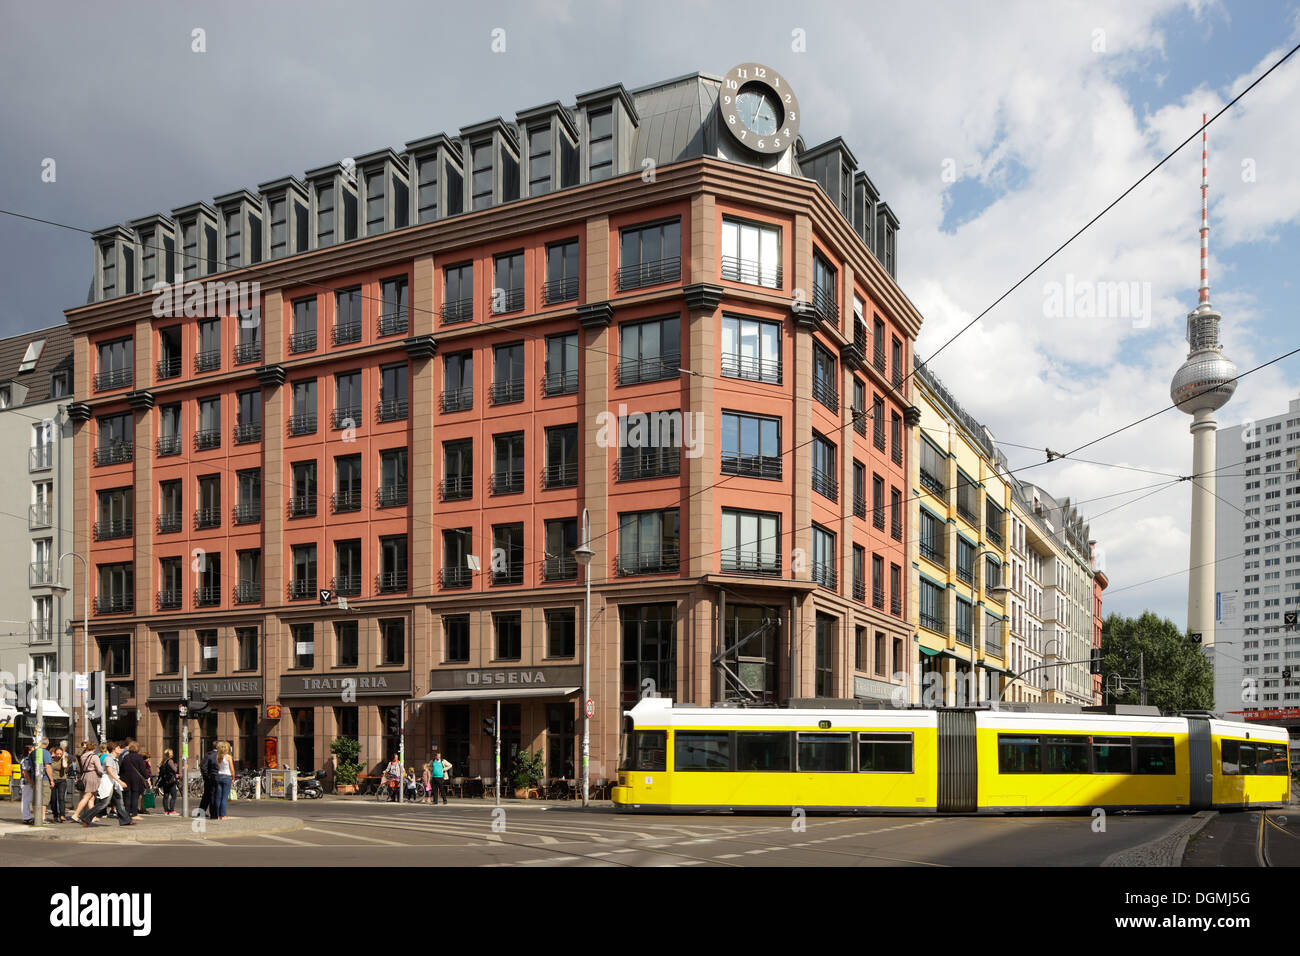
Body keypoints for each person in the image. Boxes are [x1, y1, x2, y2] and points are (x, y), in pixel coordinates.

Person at [89, 742, 133, 827]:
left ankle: (125, 820)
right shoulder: (109, 758)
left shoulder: (114, 759)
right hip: (109, 783)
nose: (120, 750)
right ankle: (86, 817)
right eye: (118, 748)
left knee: (120, 803)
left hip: (114, 783)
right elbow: (109, 772)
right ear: (114, 749)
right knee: (104, 803)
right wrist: (120, 781)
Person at [72, 741, 101, 825]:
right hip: (92, 776)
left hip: (85, 776)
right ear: (94, 748)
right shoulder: (94, 756)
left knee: (91, 797)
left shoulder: (83, 756)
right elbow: (99, 769)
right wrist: (103, 774)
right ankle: (76, 814)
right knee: (87, 796)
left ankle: (92, 816)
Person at [121, 741, 149, 817]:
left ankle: (126, 813)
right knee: (135, 797)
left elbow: (122, 769)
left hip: (126, 779)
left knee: (127, 797)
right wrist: (147, 778)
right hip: (136, 780)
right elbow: (142, 770)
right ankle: (134, 813)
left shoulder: (126, 757)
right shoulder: (139, 757)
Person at [211, 741, 234, 820]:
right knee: (224, 798)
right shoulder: (228, 757)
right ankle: (223, 815)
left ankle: (217, 815)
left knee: (218, 797)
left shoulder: (217, 757)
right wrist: (233, 777)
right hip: (227, 777)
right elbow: (232, 769)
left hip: (219, 777)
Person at [49, 743, 70, 822]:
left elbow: (64, 766)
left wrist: (63, 757)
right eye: (57, 753)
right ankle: (55, 815)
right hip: (53, 780)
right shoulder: (51, 760)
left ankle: (62, 815)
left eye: (60, 754)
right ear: (54, 753)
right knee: (53, 799)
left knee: (61, 798)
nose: (58, 755)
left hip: (62, 780)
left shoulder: (63, 759)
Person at [157, 749, 180, 815]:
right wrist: (175, 765)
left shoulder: (163, 761)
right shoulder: (170, 761)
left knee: (166, 796)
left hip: (165, 781)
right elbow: (175, 770)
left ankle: (166, 810)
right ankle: (171, 810)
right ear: (170, 754)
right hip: (171, 781)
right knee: (174, 796)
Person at [198, 744, 218, 817]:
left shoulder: (208, 754)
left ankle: (201, 812)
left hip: (209, 778)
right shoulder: (214, 755)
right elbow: (203, 767)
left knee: (206, 796)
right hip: (212, 778)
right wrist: (207, 776)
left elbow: (202, 766)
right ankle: (213, 813)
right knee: (212, 795)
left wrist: (206, 776)